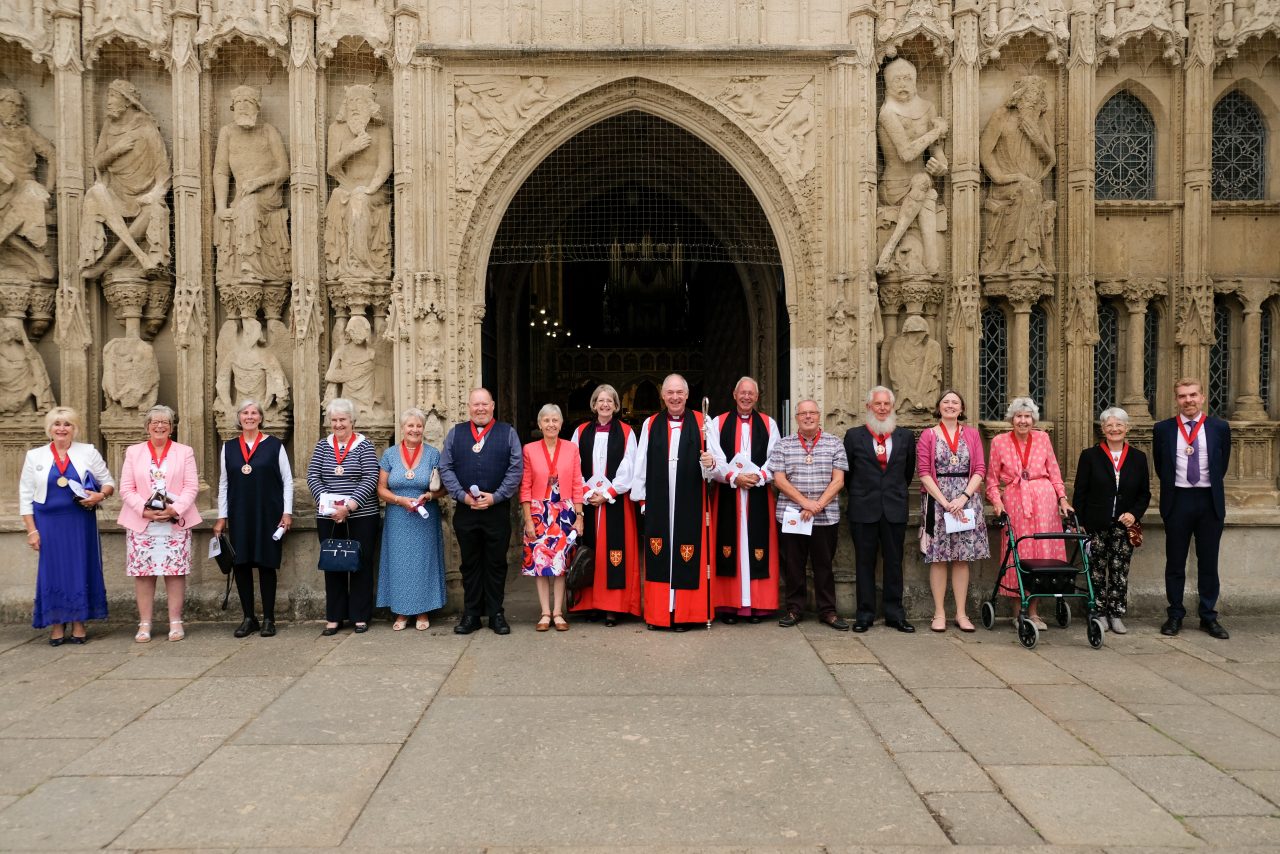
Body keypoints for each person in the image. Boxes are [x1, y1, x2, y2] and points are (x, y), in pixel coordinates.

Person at [20, 407, 114, 645]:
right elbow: (25, 496)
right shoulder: (35, 456)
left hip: (79, 520)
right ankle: (56, 623)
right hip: (48, 522)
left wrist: (99, 496)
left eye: (67, 424)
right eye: (57, 424)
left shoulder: (88, 452)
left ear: (75, 428)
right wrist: (32, 530)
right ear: (49, 428)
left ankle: (79, 623)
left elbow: (108, 482)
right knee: (53, 571)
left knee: (80, 567)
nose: (62, 428)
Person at [631, 373, 714, 631]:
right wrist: (643, 498)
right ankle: (659, 614)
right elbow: (641, 463)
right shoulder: (650, 424)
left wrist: (710, 464)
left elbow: (715, 466)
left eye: (680, 393)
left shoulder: (703, 421)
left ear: (687, 395)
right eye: (670, 393)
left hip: (690, 500)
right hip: (659, 500)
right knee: (659, 552)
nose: (675, 397)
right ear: (663, 396)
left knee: (686, 552)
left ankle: (685, 614)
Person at [439, 387, 523, 635]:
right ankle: (472, 614)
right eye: (476, 404)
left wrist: (496, 497)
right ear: (469, 407)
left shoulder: (507, 433)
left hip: (496, 511)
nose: (480, 408)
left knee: (496, 563)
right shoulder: (456, 434)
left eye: (484, 404)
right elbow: (446, 468)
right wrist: (463, 496)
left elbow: (516, 469)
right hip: (466, 511)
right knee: (470, 564)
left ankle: (497, 614)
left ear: (493, 405)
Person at [986, 397, 1074, 630]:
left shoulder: (1043, 438)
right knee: (1020, 553)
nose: (1023, 421)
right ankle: (1020, 611)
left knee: (1043, 553)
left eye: (1027, 416)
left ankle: (1033, 610)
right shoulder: (999, 442)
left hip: (1044, 502)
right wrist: (997, 503)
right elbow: (992, 480)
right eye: (1018, 416)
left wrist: (1062, 499)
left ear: (1033, 419)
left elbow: (1054, 472)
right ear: (1011, 419)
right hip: (1015, 501)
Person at [1154, 378, 1232, 639]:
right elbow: (1160, 465)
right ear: (1176, 399)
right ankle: (1175, 614)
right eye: (1182, 396)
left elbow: (1223, 463)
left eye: (1193, 395)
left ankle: (1208, 616)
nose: (1188, 400)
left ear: (1202, 397)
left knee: (1208, 562)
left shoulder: (1219, 427)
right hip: (1178, 501)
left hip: (1209, 501)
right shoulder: (1163, 429)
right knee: (1175, 562)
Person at [117, 405, 201, 642]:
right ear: (147, 426)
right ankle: (145, 623)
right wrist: (144, 511)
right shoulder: (134, 452)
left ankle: (176, 621)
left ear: (172, 427)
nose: (160, 425)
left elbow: (191, 486)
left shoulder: (184, 452)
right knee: (144, 574)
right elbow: (126, 488)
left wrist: (175, 508)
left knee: (174, 573)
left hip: (174, 521)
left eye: (165, 422)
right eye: (155, 422)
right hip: (142, 522)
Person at [212, 399, 293, 638]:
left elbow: (287, 480)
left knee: (267, 564)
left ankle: (269, 618)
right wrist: (221, 517)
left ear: (260, 418)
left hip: (268, 513)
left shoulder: (274, 445)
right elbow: (224, 484)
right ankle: (249, 617)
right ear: (239, 418)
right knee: (242, 565)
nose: (249, 416)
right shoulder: (229, 447)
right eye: (245, 413)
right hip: (240, 514)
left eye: (254, 413)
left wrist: (286, 512)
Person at [768, 399, 849, 630]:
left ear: (819, 415)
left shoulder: (834, 443)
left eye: (812, 413)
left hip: (825, 516)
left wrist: (817, 505)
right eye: (803, 413)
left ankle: (828, 611)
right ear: (796, 418)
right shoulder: (784, 445)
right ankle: (794, 609)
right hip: (792, 515)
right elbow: (779, 480)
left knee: (824, 565)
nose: (808, 417)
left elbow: (839, 480)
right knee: (794, 565)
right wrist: (805, 503)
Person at [707, 376, 781, 624]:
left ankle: (757, 605)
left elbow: (776, 458)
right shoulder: (718, 423)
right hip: (729, 493)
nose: (746, 397)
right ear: (734, 394)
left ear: (757, 397)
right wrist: (733, 477)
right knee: (729, 546)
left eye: (751, 393)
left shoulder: (769, 424)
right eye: (742, 393)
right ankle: (729, 605)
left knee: (756, 546)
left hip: (758, 495)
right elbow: (714, 459)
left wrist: (759, 475)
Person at [80, 79, 170, 280]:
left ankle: (105, 265)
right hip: (115, 193)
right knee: (95, 193)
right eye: (108, 97)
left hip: (142, 196)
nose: (108, 102)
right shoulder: (109, 126)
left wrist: (154, 194)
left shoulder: (146, 129)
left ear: (127, 101)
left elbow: (163, 173)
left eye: (113, 97)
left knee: (155, 209)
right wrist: (116, 150)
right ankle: (133, 256)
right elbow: (97, 163)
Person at [844, 386, 917, 633]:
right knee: (864, 563)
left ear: (892, 407)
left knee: (894, 562)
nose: (883, 409)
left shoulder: (905, 437)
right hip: (863, 508)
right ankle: (864, 614)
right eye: (878, 404)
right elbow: (848, 474)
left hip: (894, 508)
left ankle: (894, 614)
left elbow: (907, 472)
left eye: (887, 404)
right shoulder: (854, 436)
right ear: (869, 407)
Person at [1072, 407, 1150, 635]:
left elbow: (1144, 493)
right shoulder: (1090, 456)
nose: (1114, 429)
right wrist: (1081, 521)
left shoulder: (1138, 458)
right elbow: (1080, 492)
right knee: (1096, 570)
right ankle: (1098, 613)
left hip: (1124, 526)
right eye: (1109, 425)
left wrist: (1134, 513)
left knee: (1119, 570)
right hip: (1096, 523)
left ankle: (1116, 614)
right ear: (1103, 429)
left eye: (1119, 425)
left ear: (1127, 428)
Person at [569, 383, 642, 626]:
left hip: (615, 503)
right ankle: (590, 604)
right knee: (589, 551)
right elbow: (573, 465)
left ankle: (613, 606)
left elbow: (630, 466)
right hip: (588, 502)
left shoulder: (626, 432)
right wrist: (587, 491)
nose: (605, 404)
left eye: (609, 400)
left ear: (616, 405)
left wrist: (609, 492)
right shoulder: (580, 432)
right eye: (600, 400)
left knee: (614, 554)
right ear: (593, 404)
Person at [306, 397, 380, 635]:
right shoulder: (322, 446)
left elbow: (370, 478)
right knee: (333, 563)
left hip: (362, 515)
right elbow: (312, 477)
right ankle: (335, 616)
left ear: (352, 421)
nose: (338, 424)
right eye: (334, 420)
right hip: (329, 516)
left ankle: (360, 615)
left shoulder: (365, 446)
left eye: (343, 420)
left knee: (361, 563)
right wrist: (328, 505)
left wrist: (348, 507)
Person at [917, 390, 988, 633]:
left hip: (965, 502)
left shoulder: (972, 434)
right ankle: (939, 613)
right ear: (939, 407)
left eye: (955, 402)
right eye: (946, 402)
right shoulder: (928, 435)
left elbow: (979, 469)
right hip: (937, 501)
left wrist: (963, 497)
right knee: (938, 558)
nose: (950, 405)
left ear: (962, 408)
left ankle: (961, 613)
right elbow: (924, 472)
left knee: (961, 558)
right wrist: (944, 501)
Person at [376, 408, 447, 631]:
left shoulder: (433, 454)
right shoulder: (389, 455)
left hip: (424, 518)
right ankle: (401, 611)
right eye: (410, 426)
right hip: (398, 518)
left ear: (423, 429)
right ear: (402, 428)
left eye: (418, 426)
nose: (414, 430)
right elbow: (380, 488)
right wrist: (398, 500)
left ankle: (423, 611)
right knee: (398, 564)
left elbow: (443, 488)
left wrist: (429, 495)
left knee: (422, 564)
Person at [212, 84, 291, 285]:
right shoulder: (227, 133)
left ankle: (250, 268)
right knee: (241, 207)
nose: (242, 106)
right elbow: (221, 171)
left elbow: (284, 170)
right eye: (238, 102)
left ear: (257, 107)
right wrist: (221, 207)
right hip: (242, 196)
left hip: (268, 195)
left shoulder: (268, 131)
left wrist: (258, 182)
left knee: (248, 205)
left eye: (247, 102)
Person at [520, 404, 585, 632]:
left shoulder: (571, 449)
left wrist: (579, 515)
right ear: (539, 424)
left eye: (555, 420)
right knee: (540, 564)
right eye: (546, 420)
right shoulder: (529, 449)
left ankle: (558, 612)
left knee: (560, 565)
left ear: (561, 423)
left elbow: (578, 483)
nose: (551, 424)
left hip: (564, 511)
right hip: (538, 512)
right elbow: (525, 486)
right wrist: (528, 519)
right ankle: (544, 612)